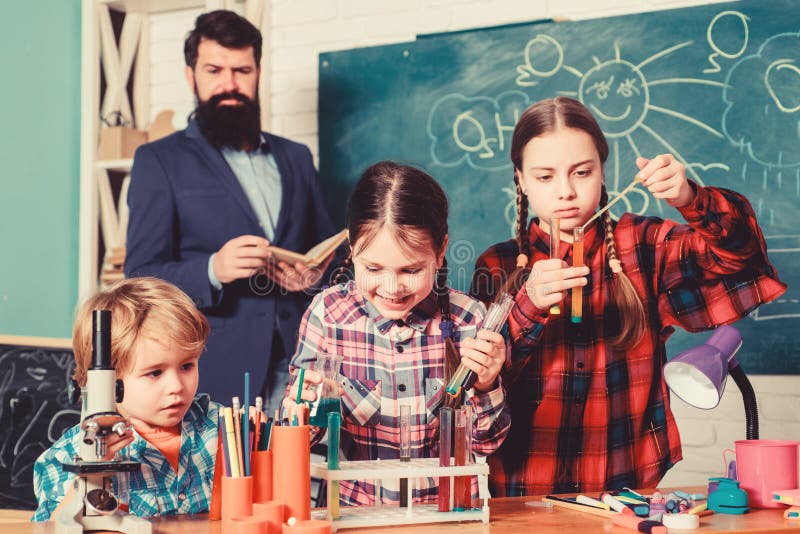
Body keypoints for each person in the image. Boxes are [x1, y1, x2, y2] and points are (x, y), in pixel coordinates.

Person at [470, 96, 786, 496]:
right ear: (520, 178)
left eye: (581, 172)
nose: (565, 191)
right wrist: (527, 304)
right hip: (525, 490)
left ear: (603, 170)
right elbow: (479, 385)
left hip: (628, 484)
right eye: (545, 177)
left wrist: (690, 198)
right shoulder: (497, 265)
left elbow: (740, 257)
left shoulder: (643, 245)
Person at [125, 10, 336, 410]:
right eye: (214, 70)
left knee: (298, 473)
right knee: (227, 475)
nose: (229, 84)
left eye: (242, 70)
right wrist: (212, 270)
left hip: (302, 361)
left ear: (258, 72)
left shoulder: (296, 157)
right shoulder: (159, 160)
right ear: (191, 76)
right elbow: (138, 276)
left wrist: (316, 274)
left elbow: (330, 250)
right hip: (212, 366)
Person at [282, 161, 511, 505]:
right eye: (373, 268)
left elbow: (486, 444)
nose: (392, 287)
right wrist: (306, 409)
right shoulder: (327, 316)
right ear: (351, 246)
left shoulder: (470, 320)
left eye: (411, 269)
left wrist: (486, 386)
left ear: (441, 249)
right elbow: (299, 441)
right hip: (357, 516)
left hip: (449, 518)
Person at [32, 277, 217, 520]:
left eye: (186, 366)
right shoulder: (68, 455)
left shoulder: (221, 427)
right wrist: (88, 479)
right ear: (109, 381)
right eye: (155, 373)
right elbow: (51, 527)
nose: (176, 386)